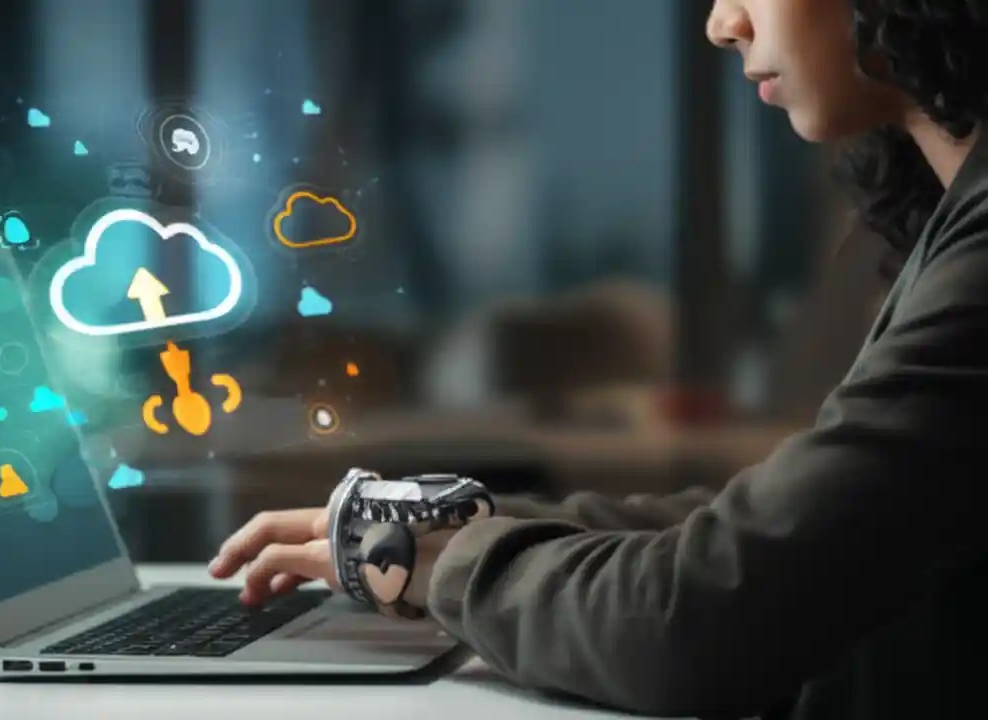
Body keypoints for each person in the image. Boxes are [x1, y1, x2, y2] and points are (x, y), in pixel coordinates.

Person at [210, 1, 988, 717]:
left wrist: (432, 566)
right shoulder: (955, 229)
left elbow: (701, 622)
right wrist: (440, 526)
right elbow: (766, 538)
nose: (723, 23)